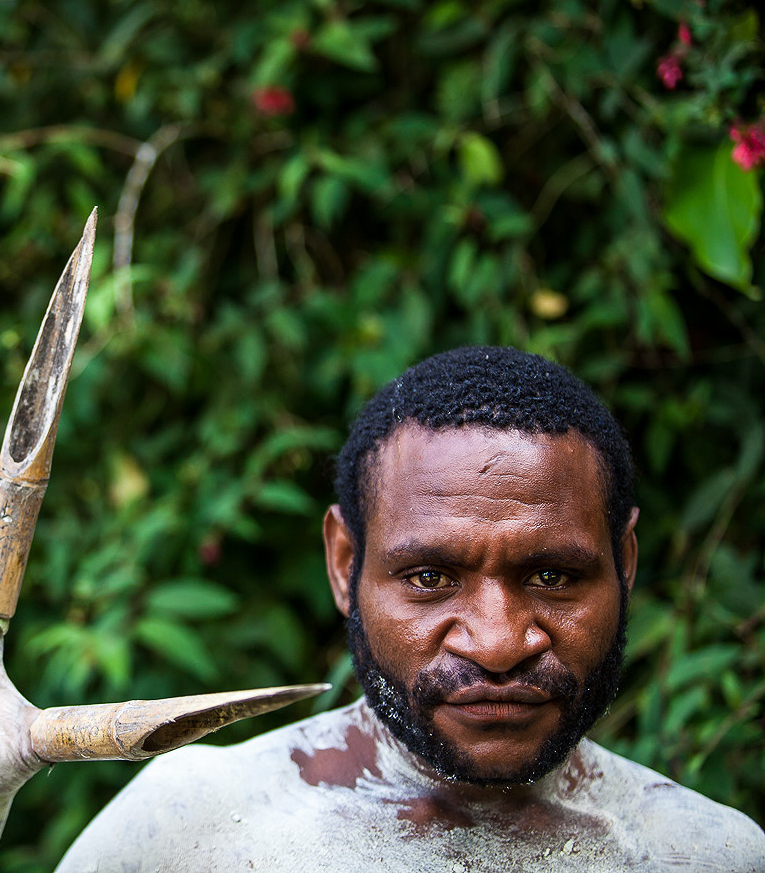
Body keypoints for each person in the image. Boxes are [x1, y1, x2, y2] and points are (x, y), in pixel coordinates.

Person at [51, 346, 765, 871]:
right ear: (344, 564)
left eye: (552, 574)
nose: (496, 641)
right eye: (429, 576)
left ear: (625, 565)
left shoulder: (708, 854)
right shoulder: (188, 829)